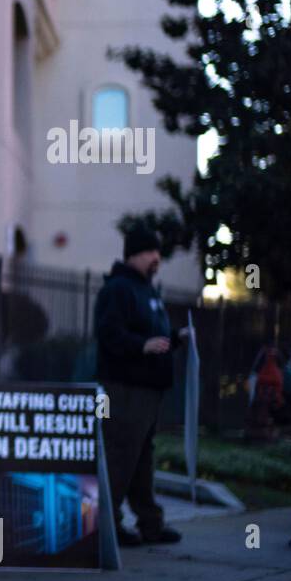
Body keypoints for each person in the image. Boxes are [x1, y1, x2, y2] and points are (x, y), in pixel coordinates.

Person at [94, 226, 186, 546]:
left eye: (158, 252)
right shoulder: (119, 289)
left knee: (142, 458)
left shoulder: (147, 290)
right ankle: (109, 525)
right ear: (134, 254)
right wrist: (141, 346)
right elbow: (108, 333)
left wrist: (174, 340)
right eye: (151, 251)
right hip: (125, 389)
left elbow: (150, 336)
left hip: (148, 390)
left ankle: (150, 522)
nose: (157, 258)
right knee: (120, 455)